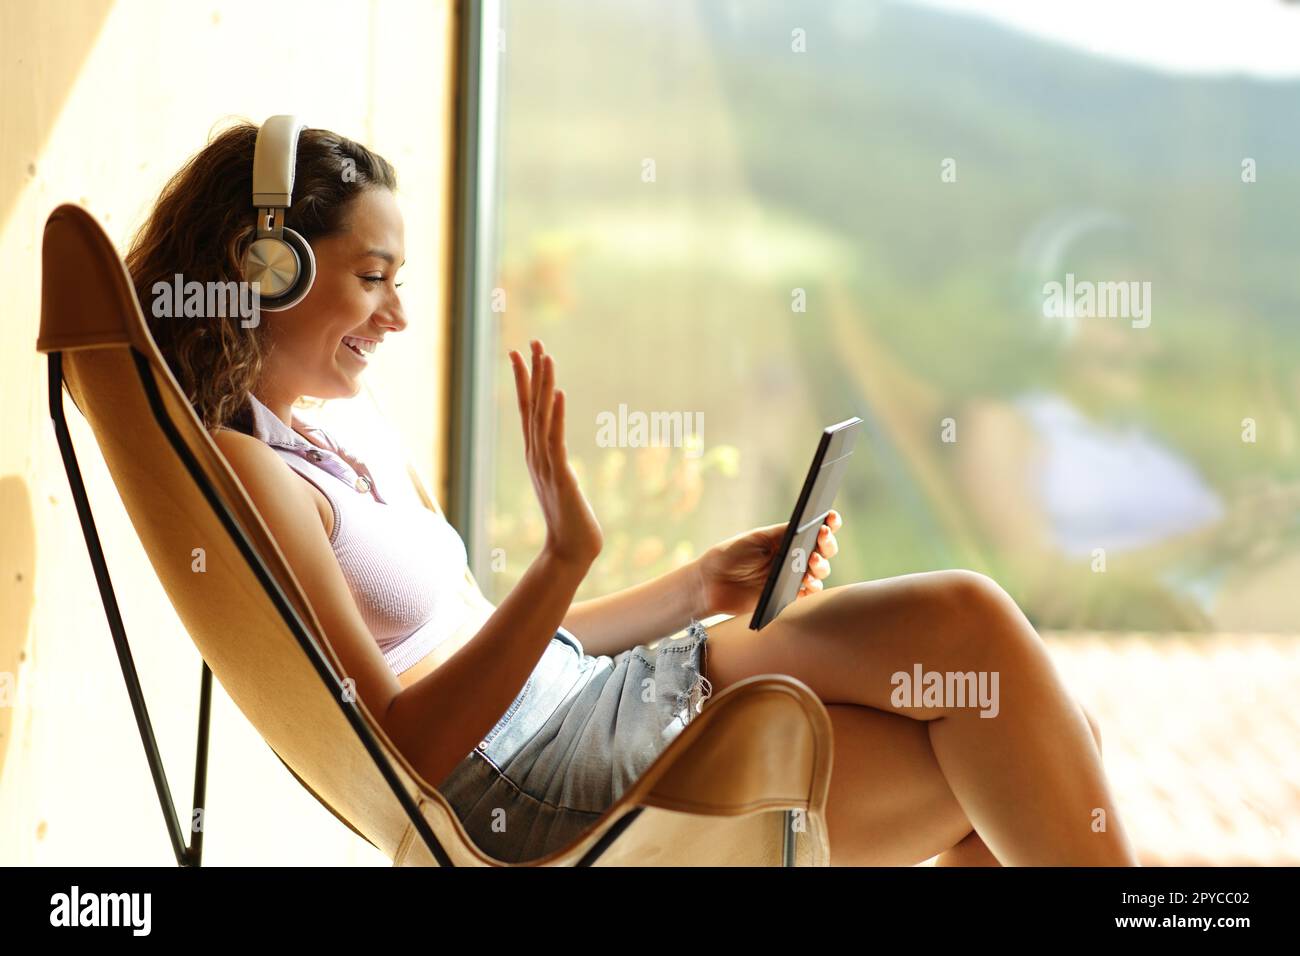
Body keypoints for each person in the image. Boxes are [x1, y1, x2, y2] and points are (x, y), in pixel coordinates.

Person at [125, 118, 1136, 867]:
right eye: (373, 276)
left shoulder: (330, 428)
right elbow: (410, 745)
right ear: (266, 265)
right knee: (1006, 745)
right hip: (538, 783)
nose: (397, 314)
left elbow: (503, 651)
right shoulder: (252, 470)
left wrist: (697, 584)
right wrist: (564, 557)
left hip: (585, 702)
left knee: (987, 663)